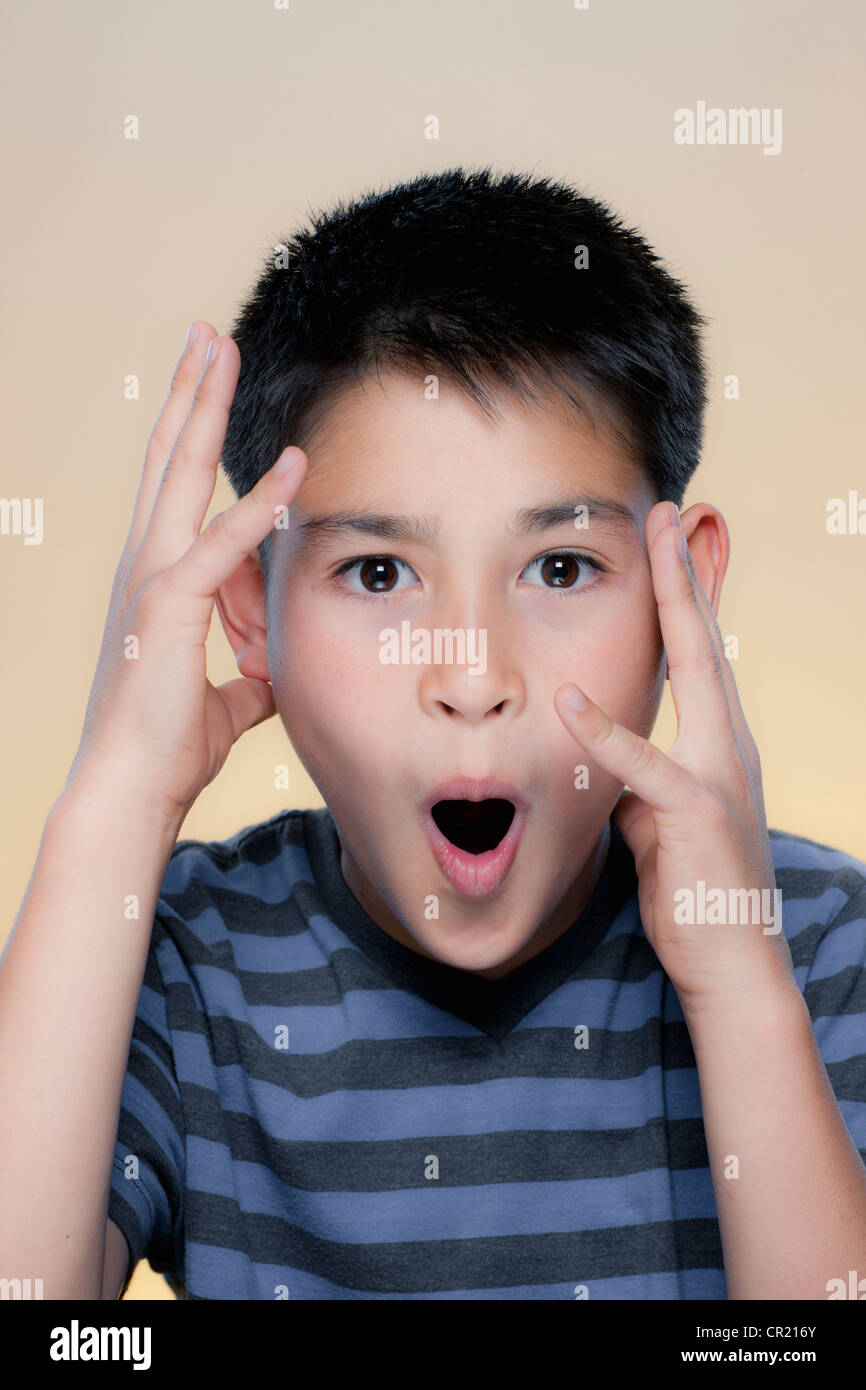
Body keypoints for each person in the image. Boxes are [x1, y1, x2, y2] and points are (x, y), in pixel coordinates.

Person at [3, 167, 865, 1301]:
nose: (469, 674)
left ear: (680, 596)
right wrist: (119, 792)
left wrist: (738, 985)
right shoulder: (175, 966)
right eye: (376, 570)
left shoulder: (813, 950)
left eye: (559, 567)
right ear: (251, 608)